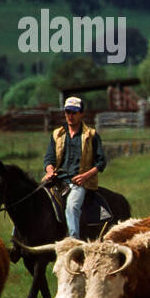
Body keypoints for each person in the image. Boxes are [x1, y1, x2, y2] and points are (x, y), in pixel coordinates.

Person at [42, 96, 108, 240]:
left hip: (78, 182)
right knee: (32, 198)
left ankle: (74, 241)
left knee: (72, 206)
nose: (70, 116)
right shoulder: (57, 134)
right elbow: (49, 159)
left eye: (74, 112)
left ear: (81, 114)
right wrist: (50, 171)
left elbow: (101, 162)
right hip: (57, 180)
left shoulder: (91, 135)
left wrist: (85, 176)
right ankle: (17, 240)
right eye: (67, 112)